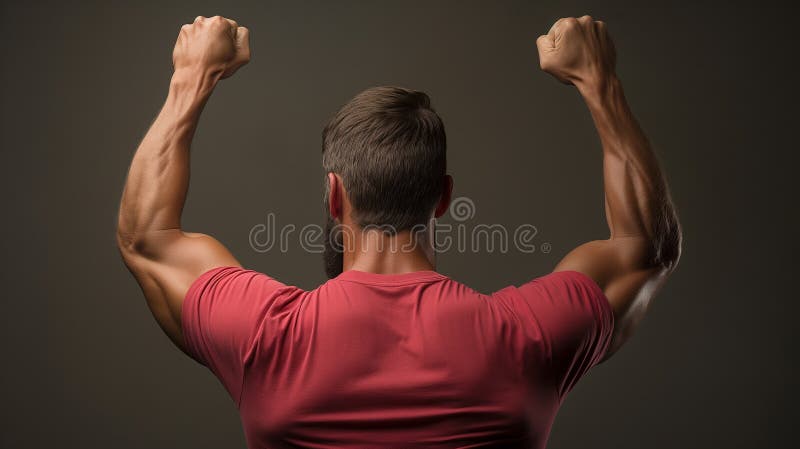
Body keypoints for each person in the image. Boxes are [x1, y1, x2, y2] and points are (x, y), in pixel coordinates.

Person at [117, 14, 682, 449]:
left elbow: (147, 238)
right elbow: (645, 250)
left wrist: (191, 77)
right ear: (443, 198)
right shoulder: (525, 340)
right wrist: (597, 80)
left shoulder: (267, 338)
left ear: (335, 196)